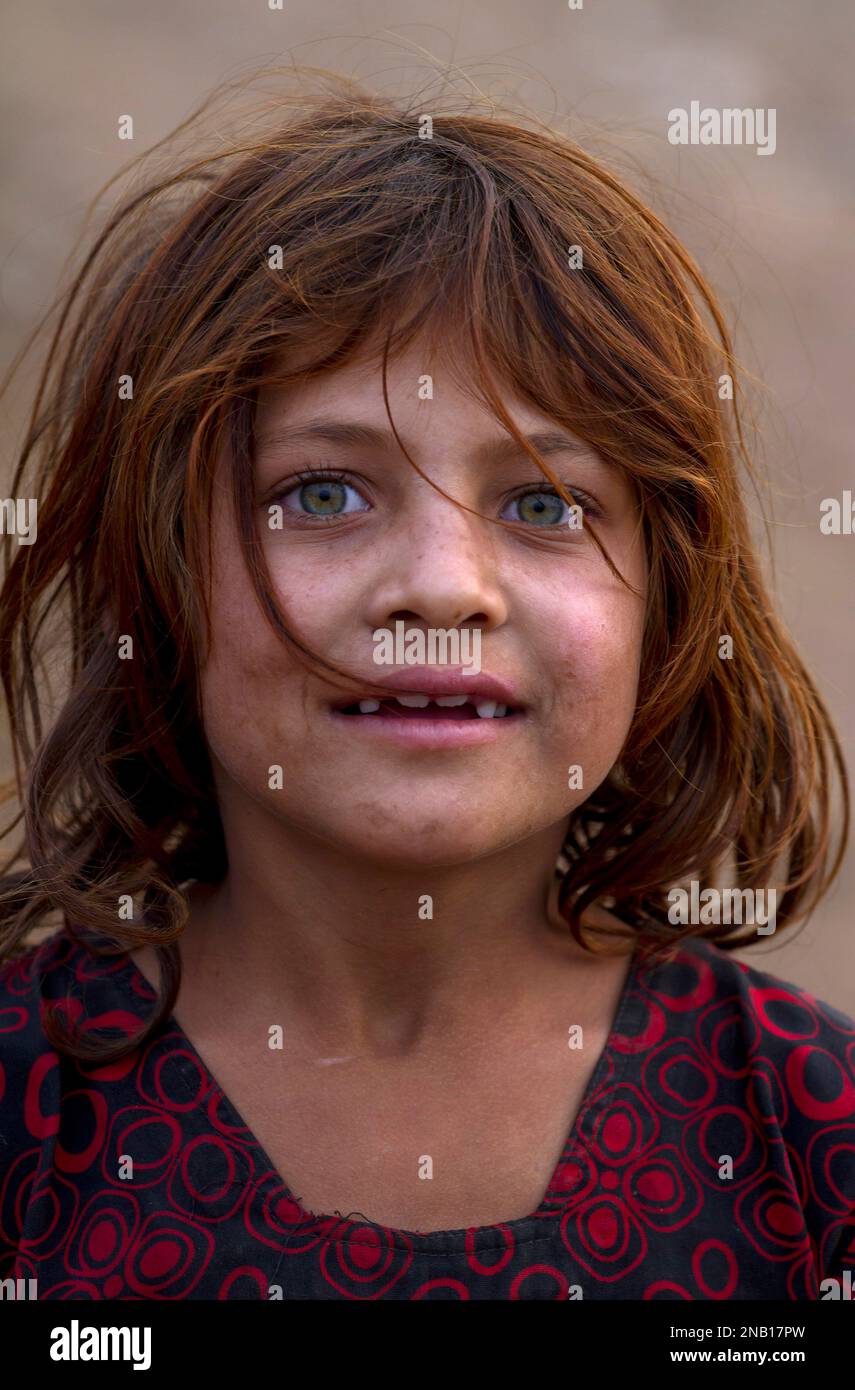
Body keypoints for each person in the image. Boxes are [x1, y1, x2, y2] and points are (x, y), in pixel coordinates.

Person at [0, 69, 852, 1301]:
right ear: (162, 575)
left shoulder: (811, 1149)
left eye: (546, 504)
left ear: (667, 600)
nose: (445, 587)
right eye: (324, 493)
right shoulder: (30, 1123)